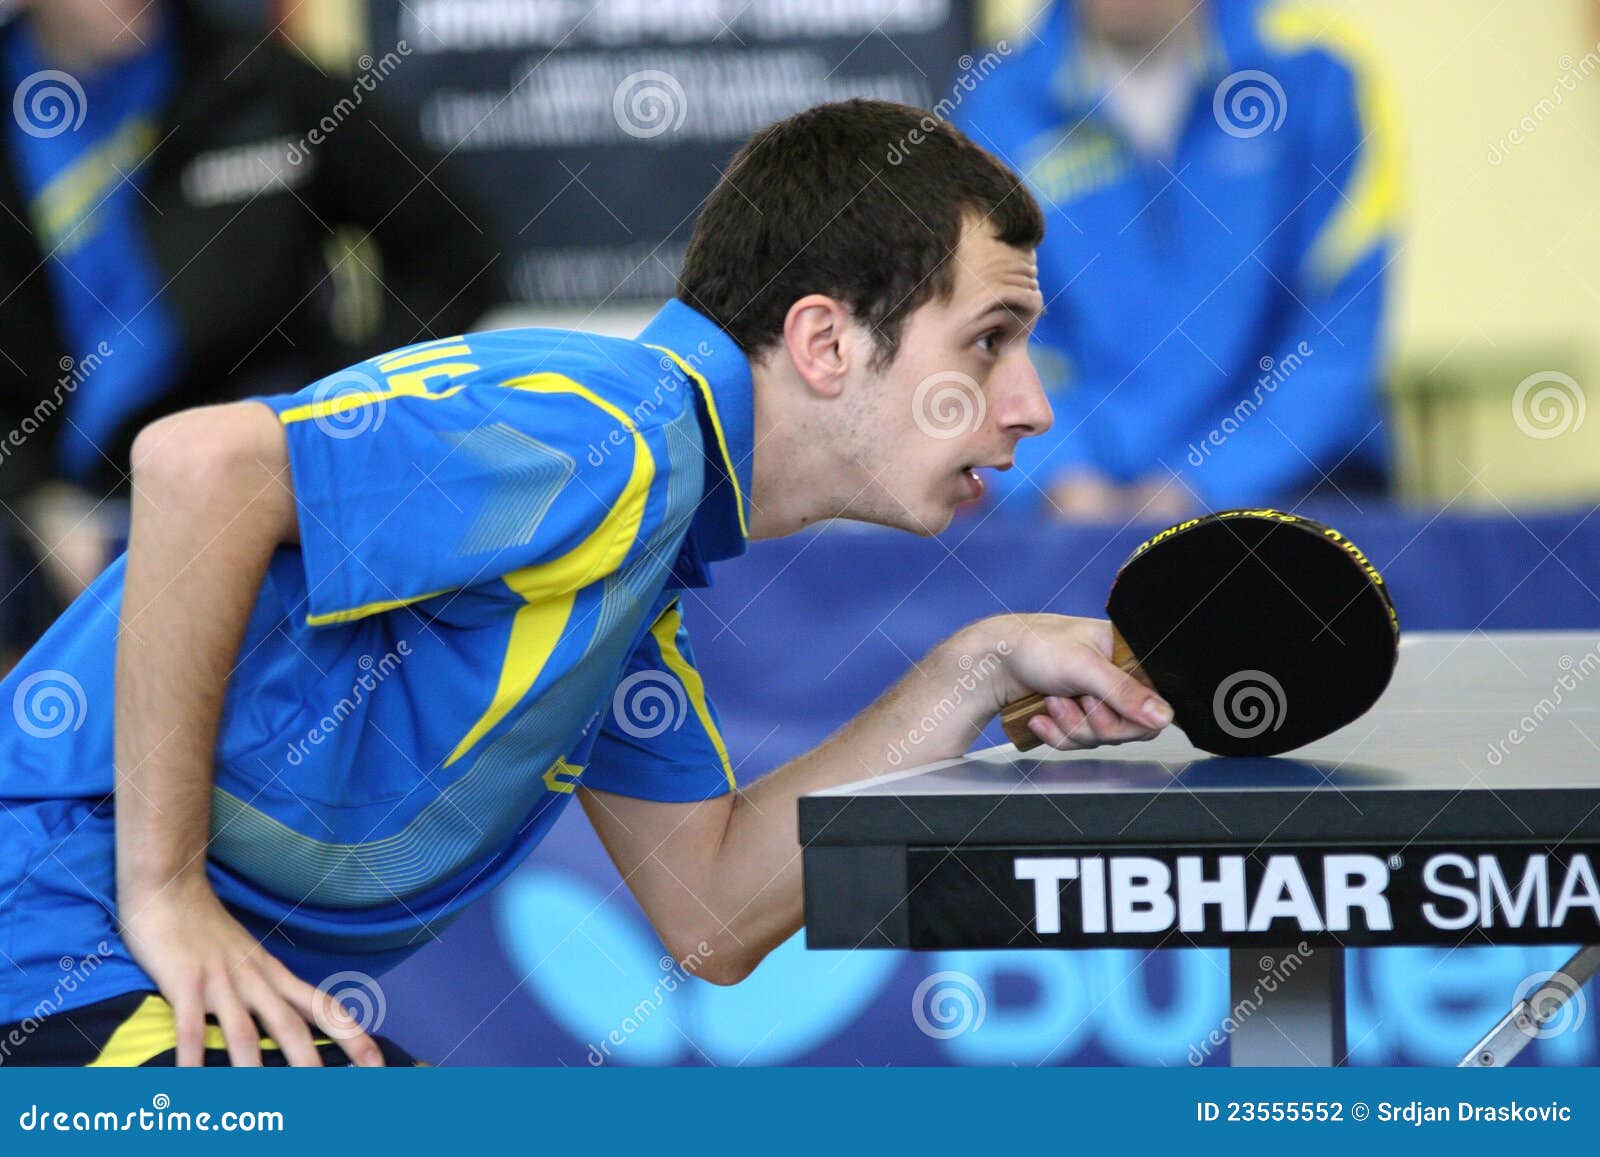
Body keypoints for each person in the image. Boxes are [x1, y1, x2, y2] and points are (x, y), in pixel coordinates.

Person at [0, 98, 1175, 1067]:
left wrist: (977, 665)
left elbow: (714, 912)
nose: (1031, 404)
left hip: (128, 976)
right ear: (825, 343)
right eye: (989, 337)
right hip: (54, 946)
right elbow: (196, 464)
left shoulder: (632, 549)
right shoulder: (611, 435)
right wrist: (165, 891)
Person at [0, 0, 501, 642]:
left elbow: (455, 251)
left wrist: (341, 411)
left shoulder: (253, 78)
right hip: (46, 522)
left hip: (261, 506)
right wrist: (29, 497)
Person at [956, 0, 1397, 520]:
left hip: (1295, 496)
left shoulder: (1315, 74)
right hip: (1067, 513)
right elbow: (985, 333)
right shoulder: (994, 105)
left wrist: (1205, 484)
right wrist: (1060, 475)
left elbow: (1340, 332)